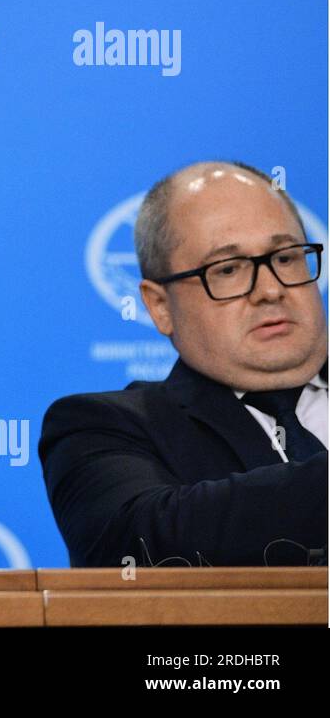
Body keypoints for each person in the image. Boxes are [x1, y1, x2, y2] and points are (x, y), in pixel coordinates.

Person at [40, 161, 328, 567]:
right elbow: (140, 542)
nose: (270, 289)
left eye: (284, 258)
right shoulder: (101, 426)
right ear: (160, 306)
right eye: (227, 269)